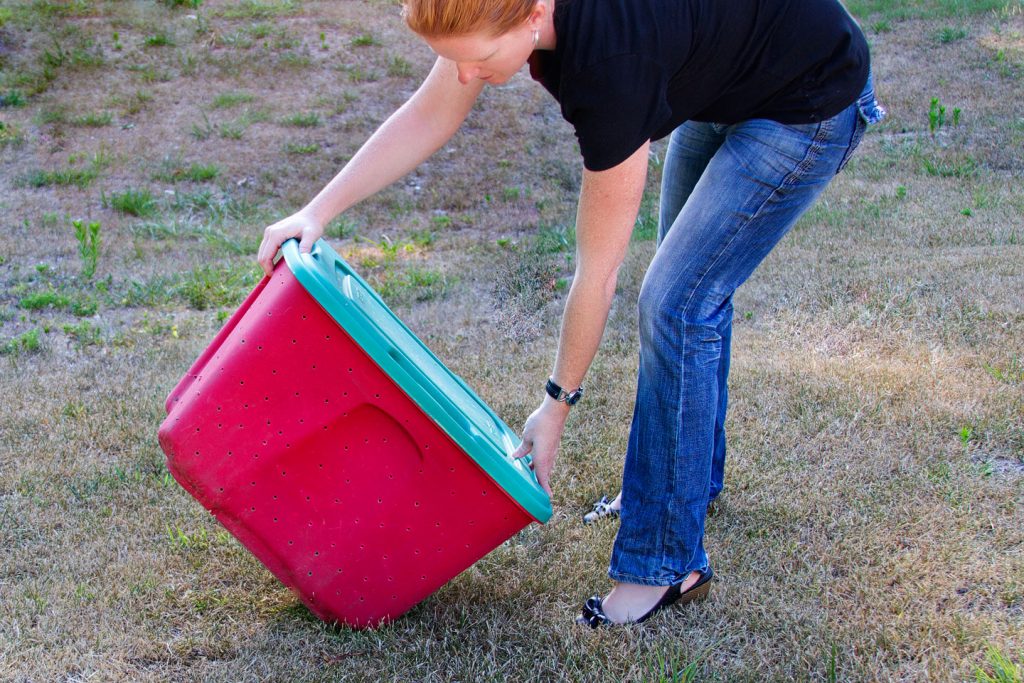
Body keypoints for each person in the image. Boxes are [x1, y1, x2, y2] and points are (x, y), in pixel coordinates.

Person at [258, 0, 885, 627]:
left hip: (808, 93)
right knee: (689, 298)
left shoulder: (612, 64)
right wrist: (318, 209)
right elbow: (430, 112)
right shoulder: (501, 14)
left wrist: (555, 404)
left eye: (477, 60)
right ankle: (685, 489)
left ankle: (665, 563)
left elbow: (597, 274)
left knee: (677, 304)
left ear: (533, 15)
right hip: (736, 72)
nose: (466, 76)